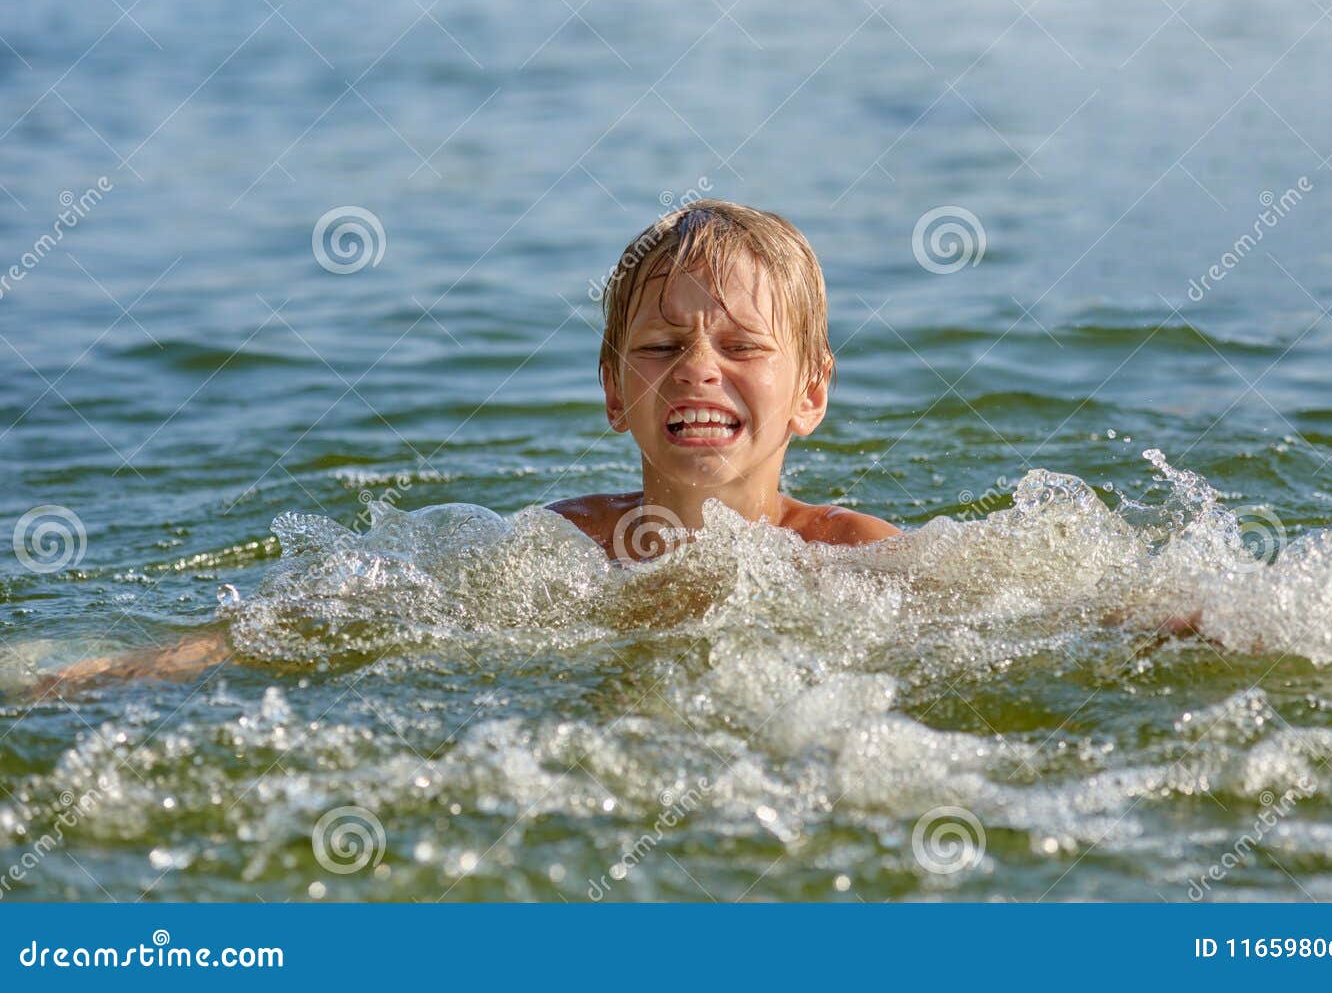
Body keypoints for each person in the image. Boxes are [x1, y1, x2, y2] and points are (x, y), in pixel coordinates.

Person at [27, 200, 898, 695]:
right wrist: (139, 665)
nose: (698, 372)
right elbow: (339, 615)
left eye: (742, 348)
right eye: (661, 349)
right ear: (611, 390)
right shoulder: (562, 549)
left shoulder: (849, 555)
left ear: (811, 393)